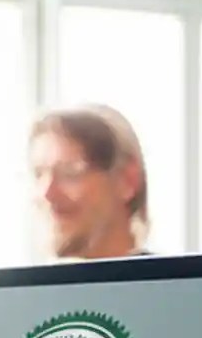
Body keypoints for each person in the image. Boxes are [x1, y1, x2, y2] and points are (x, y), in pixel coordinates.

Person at [28, 103, 151, 260]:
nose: (46, 193)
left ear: (126, 180)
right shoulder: (30, 283)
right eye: (38, 175)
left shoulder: (176, 283)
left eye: (69, 173)